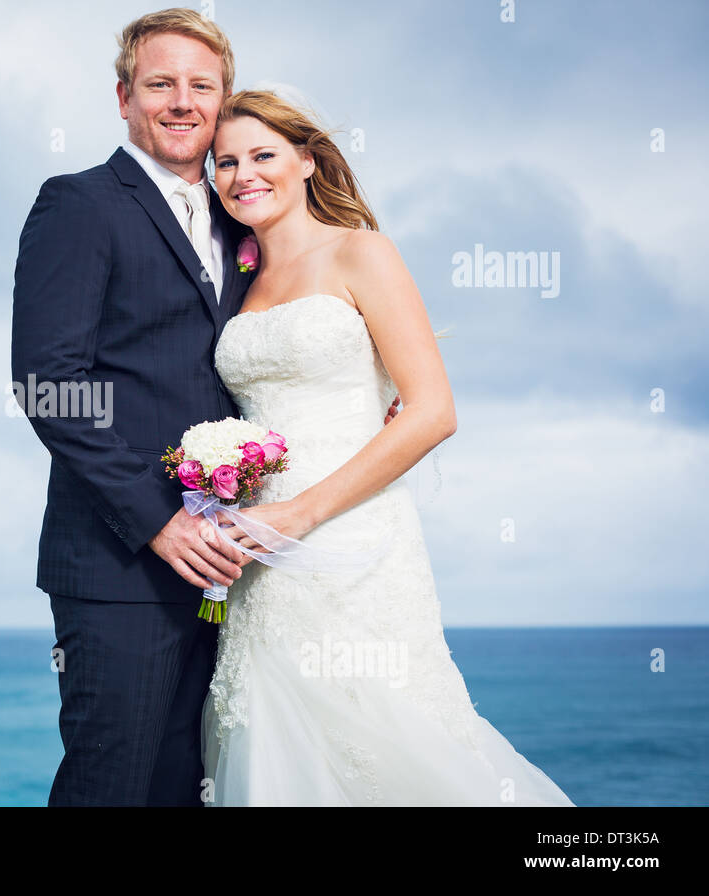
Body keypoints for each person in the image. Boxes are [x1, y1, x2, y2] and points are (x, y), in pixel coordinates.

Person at [10, 8, 399, 806]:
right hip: (121, 564)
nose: (182, 102)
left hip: (236, 574)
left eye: (202, 86)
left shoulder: (242, 211)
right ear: (124, 97)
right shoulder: (79, 204)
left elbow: (294, 337)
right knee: (109, 786)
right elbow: (49, 383)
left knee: (192, 790)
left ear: (223, 100)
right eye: (160, 84)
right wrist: (158, 518)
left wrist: (377, 396)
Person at [202, 89, 574, 805]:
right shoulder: (237, 281)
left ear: (307, 161)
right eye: (225, 163)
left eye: (262, 155)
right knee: (274, 733)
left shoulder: (361, 251)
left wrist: (301, 514)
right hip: (256, 553)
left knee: (390, 727)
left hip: (352, 535)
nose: (242, 173)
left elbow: (432, 411)